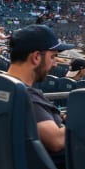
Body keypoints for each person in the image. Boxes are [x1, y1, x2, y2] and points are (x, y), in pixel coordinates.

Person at [7, 24, 70, 157]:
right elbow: (56, 140)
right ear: (36, 57)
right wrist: (82, 120)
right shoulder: (24, 96)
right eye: (52, 57)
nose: (55, 64)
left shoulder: (0, 85)